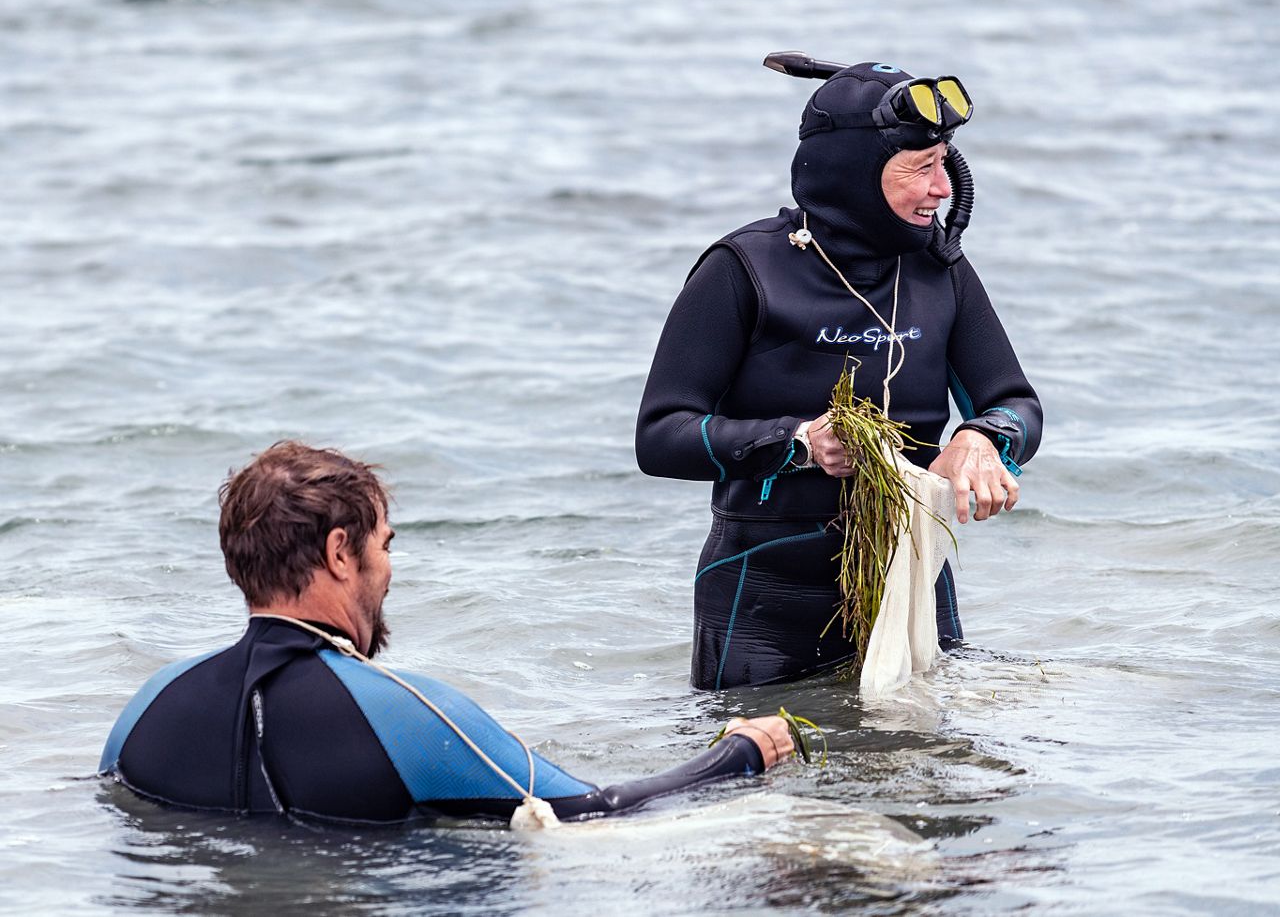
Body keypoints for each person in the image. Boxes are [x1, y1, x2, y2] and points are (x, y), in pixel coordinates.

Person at [99, 441, 793, 825]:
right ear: (340, 552)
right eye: (385, 546)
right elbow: (593, 813)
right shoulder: (404, 714)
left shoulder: (144, 710)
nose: (388, 570)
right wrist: (739, 755)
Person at [635, 59, 1043, 691]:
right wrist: (800, 442)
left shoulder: (941, 271)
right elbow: (660, 435)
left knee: (942, 751)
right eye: (920, 168)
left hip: (912, 581)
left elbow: (1015, 402)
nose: (942, 189)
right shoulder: (743, 269)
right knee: (760, 758)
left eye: (944, 164)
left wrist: (983, 439)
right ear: (853, 172)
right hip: (763, 603)